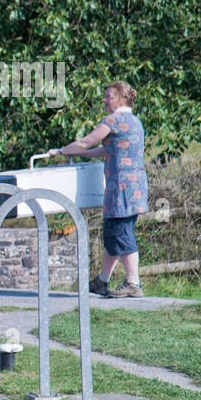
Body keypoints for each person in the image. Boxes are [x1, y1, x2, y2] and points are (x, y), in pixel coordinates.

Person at [51, 80, 149, 298]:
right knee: (113, 234)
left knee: (123, 233)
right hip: (134, 187)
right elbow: (104, 150)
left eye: (109, 97)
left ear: (121, 98)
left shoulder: (113, 120)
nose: (104, 100)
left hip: (121, 187)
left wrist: (59, 151)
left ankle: (133, 283)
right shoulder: (134, 121)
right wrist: (74, 153)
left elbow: (86, 142)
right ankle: (102, 281)